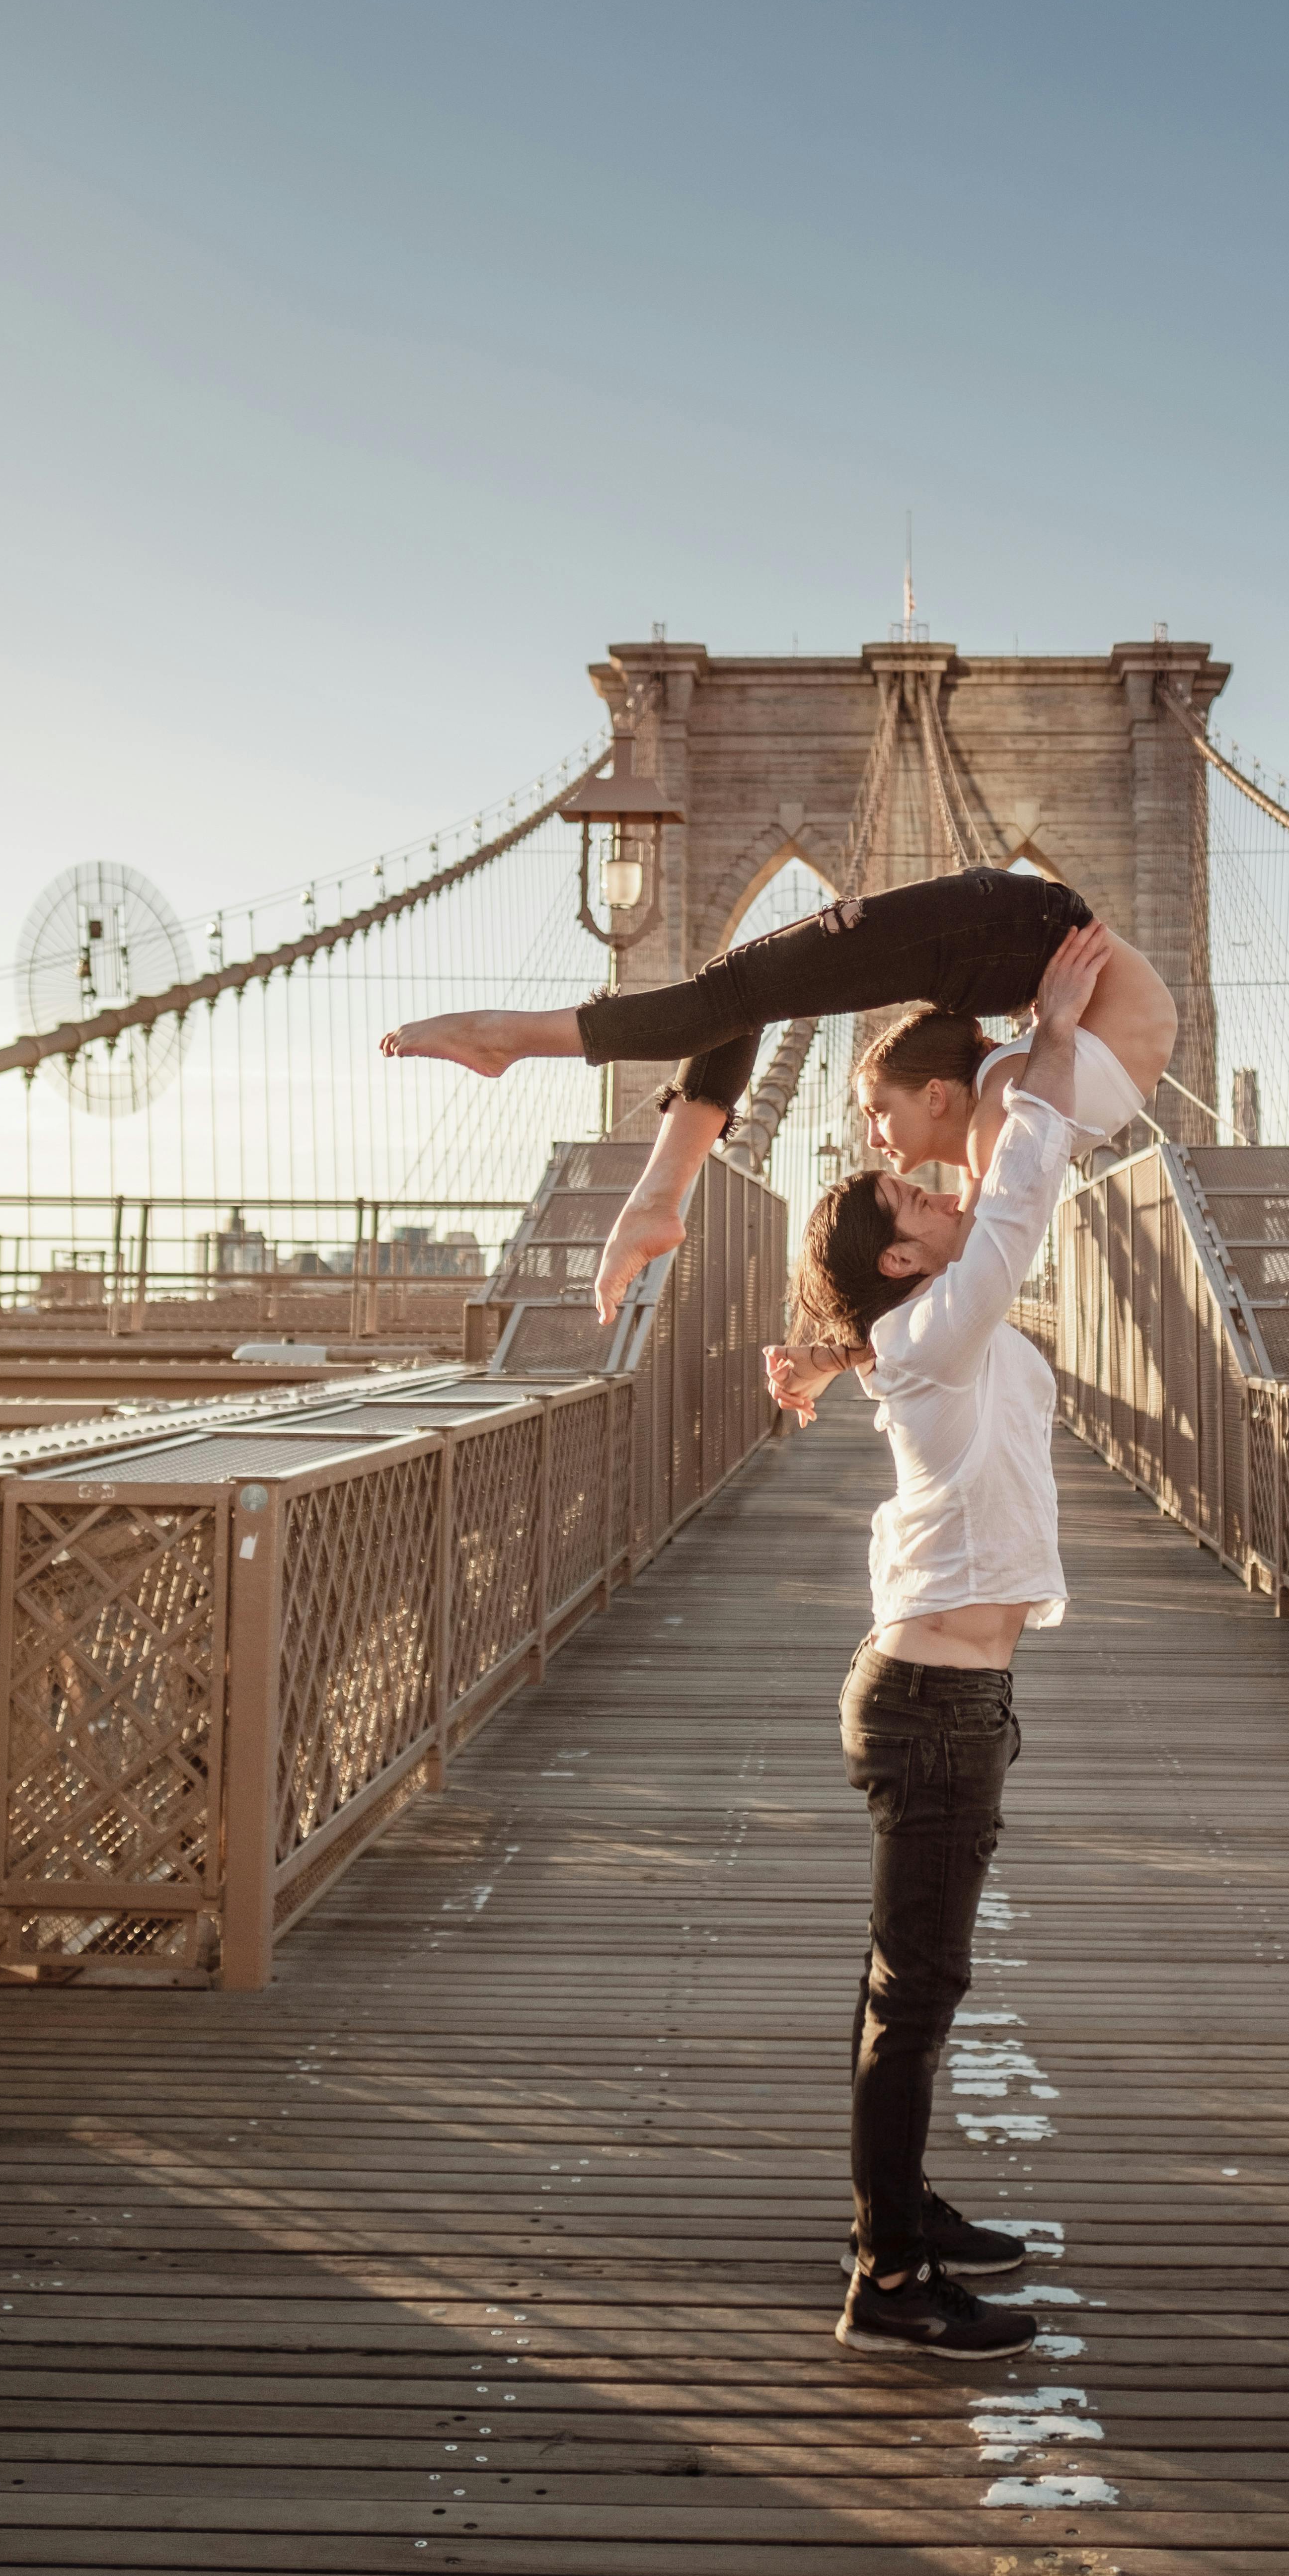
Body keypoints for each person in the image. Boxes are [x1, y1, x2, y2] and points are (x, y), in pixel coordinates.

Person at [773, 921, 1108, 2361]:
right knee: (912, 2000)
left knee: (907, 1989)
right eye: (915, 1190)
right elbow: (1016, 1205)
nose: (939, 1186)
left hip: (948, 1697)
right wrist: (1036, 1055)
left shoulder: (926, 1337)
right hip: (928, 1700)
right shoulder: (931, 1335)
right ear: (906, 1254)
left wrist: (830, 1345)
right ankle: (887, 2279)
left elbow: (976, 1248)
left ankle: (900, 2203)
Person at [381, 862, 1176, 1319]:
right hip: (1017, 931)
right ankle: (512, 1041)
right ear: (937, 1093)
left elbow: (973, 1247)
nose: (875, 1142)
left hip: (1015, 950)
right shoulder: (1005, 1128)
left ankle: (656, 1194)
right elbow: (988, 1241)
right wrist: (1060, 1022)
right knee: (734, 994)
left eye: (875, 1115)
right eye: (876, 1114)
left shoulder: (994, 1139)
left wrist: (834, 1351)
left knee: (741, 995)